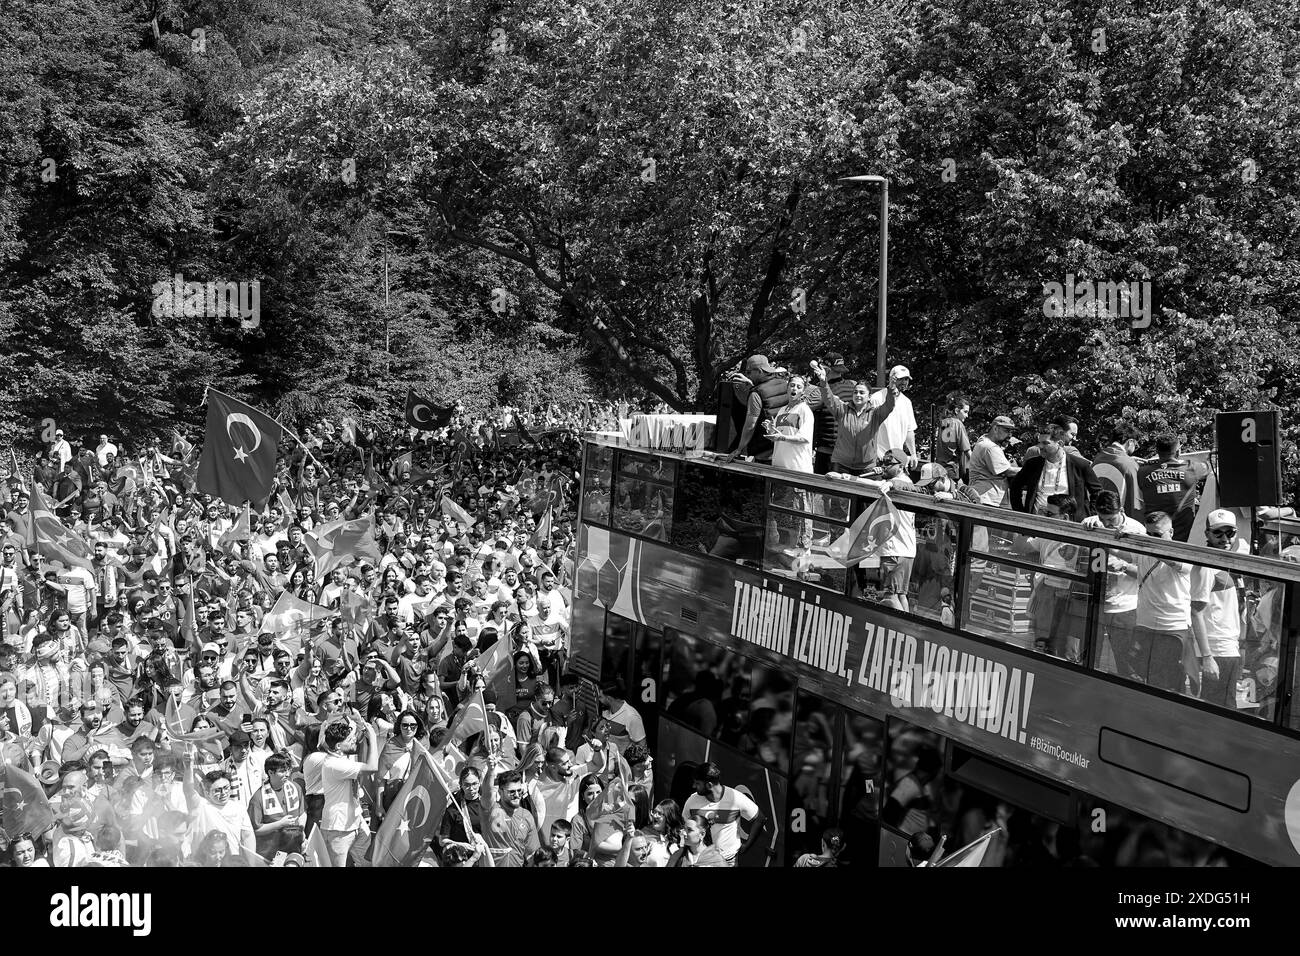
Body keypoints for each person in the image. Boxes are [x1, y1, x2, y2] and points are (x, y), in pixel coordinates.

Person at [1131, 512, 1202, 694]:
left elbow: (1175, 563)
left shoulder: (1183, 552)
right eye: (1149, 534)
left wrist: (1146, 544)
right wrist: (1108, 532)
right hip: (1145, 626)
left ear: (1171, 532)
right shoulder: (1144, 550)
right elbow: (1116, 551)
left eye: (1157, 535)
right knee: (1142, 679)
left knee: (1170, 684)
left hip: (1172, 630)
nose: (1153, 539)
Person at [1081, 490, 1146, 678]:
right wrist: (1087, 524)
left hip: (1125, 608)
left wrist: (1123, 565)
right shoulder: (1094, 523)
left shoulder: (1137, 530)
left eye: (1111, 519)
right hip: (1096, 605)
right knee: (1089, 661)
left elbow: (1147, 574)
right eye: (1103, 518)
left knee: (1126, 664)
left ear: (1122, 510)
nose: (1107, 524)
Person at [807, 360, 897, 475]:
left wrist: (892, 389)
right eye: (855, 392)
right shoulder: (842, 409)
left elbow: (889, 405)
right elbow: (828, 399)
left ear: (869, 397)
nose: (858, 395)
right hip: (841, 464)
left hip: (867, 466)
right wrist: (824, 381)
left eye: (861, 393)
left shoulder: (876, 414)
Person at [1192, 510, 1243, 708]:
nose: (1225, 539)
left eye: (1229, 533)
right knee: (1221, 710)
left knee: (1223, 708)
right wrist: (1207, 657)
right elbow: (1196, 611)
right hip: (1218, 649)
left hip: (1230, 647)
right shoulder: (1206, 565)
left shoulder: (1230, 561)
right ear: (1207, 535)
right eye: (1218, 534)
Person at [318, 717, 379, 867]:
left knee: (367, 863)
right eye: (350, 740)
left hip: (356, 822)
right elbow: (372, 767)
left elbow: (325, 744)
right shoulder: (335, 764)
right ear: (338, 746)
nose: (354, 742)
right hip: (338, 829)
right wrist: (373, 738)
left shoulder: (339, 755)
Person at [681, 761, 767, 866]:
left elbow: (760, 818)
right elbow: (684, 826)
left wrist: (746, 846)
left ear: (709, 785)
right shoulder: (692, 801)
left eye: (698, 783)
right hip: (700, 861)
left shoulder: (735, 798)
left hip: (729, 862)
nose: (694, 786)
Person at [1010, 422, 1101, 521]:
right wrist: (1020, 513)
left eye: (1045, 443)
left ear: (1060, 443)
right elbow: (1015, 486)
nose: (1040, 446)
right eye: (1039, 442)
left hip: (1070, 525)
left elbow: (1097, 492)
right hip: (1036, 523)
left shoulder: (1080, 465)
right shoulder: (1032, 464)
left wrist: (1092, 516)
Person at [723, 355, 790, 465]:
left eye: (749, 372)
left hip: (764, 453)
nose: (748, 376)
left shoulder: (756, 394)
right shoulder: (785, 385)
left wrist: (739, 449)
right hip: (784, 448)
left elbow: (750, 425)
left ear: (759, 371)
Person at [1137, 434, 1202, 542]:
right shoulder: (1192, 468)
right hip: (1185, 539)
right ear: (1178, 452)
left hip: (1155, 539)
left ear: (1157, 451)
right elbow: (1211, 464)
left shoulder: (1143, 472)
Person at [804, 352, 857, 475]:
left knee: (822, 490)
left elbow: (799, 409)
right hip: (851, 450)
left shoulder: (820, 392)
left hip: (828, 452)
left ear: (825, 369)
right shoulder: (854, 385)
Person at [1091, 421, 1145, 520]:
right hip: (1117, 521)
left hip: (1095, 517)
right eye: (1136, 445)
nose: (1135, 448)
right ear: (1130, 442)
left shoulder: (1097, 459)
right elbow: (1136, 501)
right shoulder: (1129, 465)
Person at [867, 366, 919, 467]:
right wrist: (874, 453)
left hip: (897, 460)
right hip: (877, 459)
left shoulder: (907, 402)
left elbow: (909, 430)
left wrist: (913, 454)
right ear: (891, 378)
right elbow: (867, 428)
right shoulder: (876, 399)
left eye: (906, 379)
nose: (904, 382)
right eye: (900, 379)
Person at [968, 416, 1021, 507]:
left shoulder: (984, 440)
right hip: (987, 500)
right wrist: (1030, 469)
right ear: (995, 428)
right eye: (1006, 431)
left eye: (1011, 432)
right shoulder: (990, 447)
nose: (1010, 435)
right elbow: (1008, 472)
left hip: (984, 497)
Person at [766, 375, 815, 474]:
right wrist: (770, 429)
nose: (794, 388)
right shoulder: (782, 410)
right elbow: (778, 435)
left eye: (799, 387)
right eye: (792, 385)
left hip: (797, 471)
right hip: (778, 469)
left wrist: (782, 437)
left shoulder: (804, 410)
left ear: (803, 391)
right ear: (787, 387)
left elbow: (804, 438)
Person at [934, 393, 972, 483]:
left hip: (939, 467)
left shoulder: (943, 423)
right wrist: (980, 464)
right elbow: (967, 451)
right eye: (965, 412)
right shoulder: (958, 424)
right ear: (956, 410)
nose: (967, 416)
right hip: (952, 469)